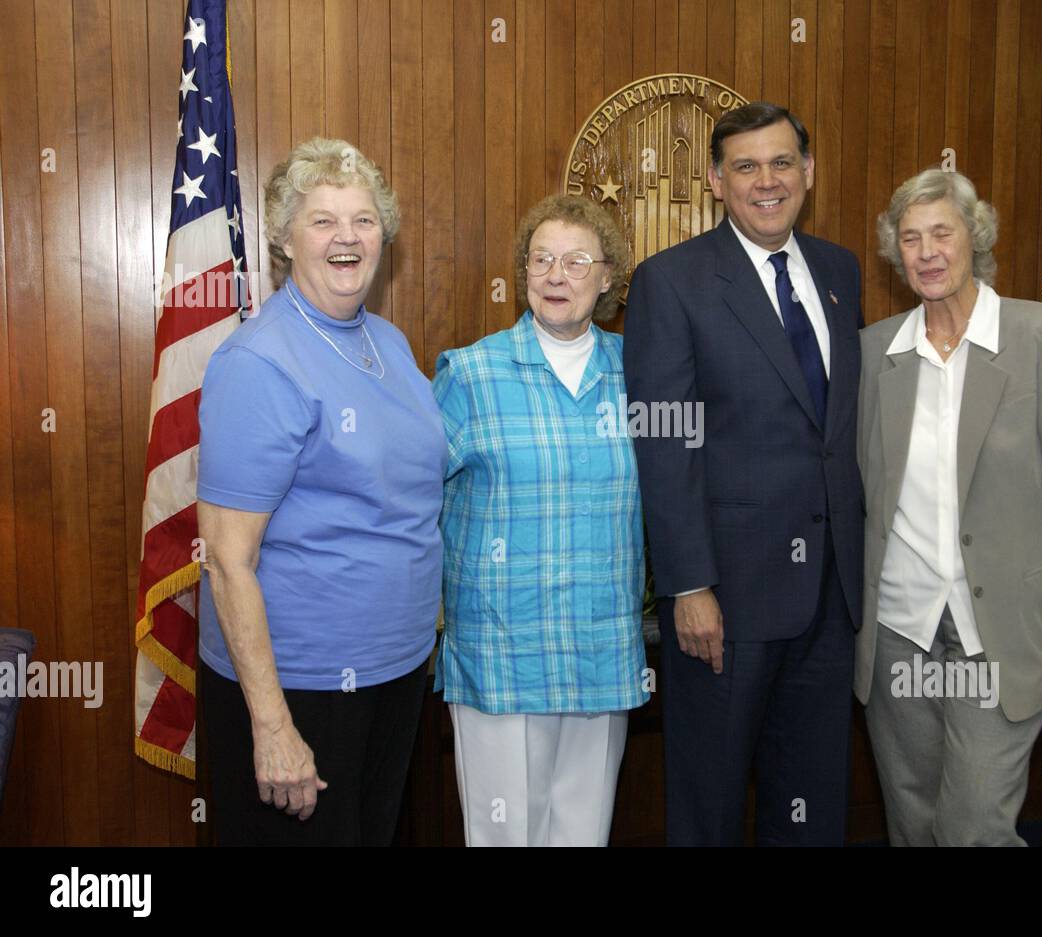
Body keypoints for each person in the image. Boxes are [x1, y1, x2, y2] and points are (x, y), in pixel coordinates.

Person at [624, 102, 865, 846]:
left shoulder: (838, 269)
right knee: (711, 800)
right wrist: (688, 585)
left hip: (831, 592)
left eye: (783, 162)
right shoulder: (671, 281)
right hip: (726, 598)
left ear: (809, 172)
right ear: (716, 180)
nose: (768, 181)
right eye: (747, 166)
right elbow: (664, 443)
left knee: (813, 797)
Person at [197, 137, 445, 845]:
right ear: (283, 237)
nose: (347, 237)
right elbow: (226, 559)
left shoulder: (388, 342)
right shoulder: (257, 362)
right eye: (323, 219)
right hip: (301, 689)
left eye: (363, 219)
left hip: (395, 674)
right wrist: (272, 725)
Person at [856, 168, 1042, 845]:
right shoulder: (876, 350)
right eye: (911, 238)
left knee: (974, 826)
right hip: (900, 629)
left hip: (1000, 633)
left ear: (976, 238)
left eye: (943, 232)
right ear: (895, 252)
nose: (928, 251)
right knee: (911, 815)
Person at [433, 194, 647, 847]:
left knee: (583, 833)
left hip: (601, 647)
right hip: (501, 651)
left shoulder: (640, 375)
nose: (556, 276)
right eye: (541, 259)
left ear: (608, 276)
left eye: (576, 261)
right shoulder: (469, 372)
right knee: (504, 836)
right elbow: (414, 500)